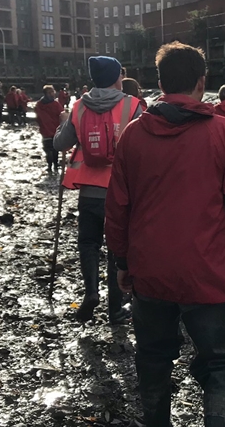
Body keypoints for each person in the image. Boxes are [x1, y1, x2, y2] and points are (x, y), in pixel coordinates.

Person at [105, 42, 225, 427]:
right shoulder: (223, 134)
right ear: (201, 82)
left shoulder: (132, 135)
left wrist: (123, 262)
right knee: (222, 363)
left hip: (150, 270)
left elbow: (118, 209)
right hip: (205, 271)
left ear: (159, 82)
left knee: (153, 357)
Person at [54, 56, 142, 323]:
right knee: (117, 248)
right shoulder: (132, 106)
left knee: (88, 243)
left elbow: (60, 144)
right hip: (120, 193)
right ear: (117, 77)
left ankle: (91, 292)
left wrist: (63, 122)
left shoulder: (79, 107)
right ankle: (115, 309)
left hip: (89, 191)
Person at [35, 85, 64, 174]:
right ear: (47, 93)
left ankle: (49, 167)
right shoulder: (55, 104)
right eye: (51, 92)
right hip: (55, 130)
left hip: (45, 130)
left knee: (48, 150)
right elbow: (62, 115)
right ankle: (55, 166)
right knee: (55, 149)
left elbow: (37, 117)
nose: (53, 94)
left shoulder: (39, 105)